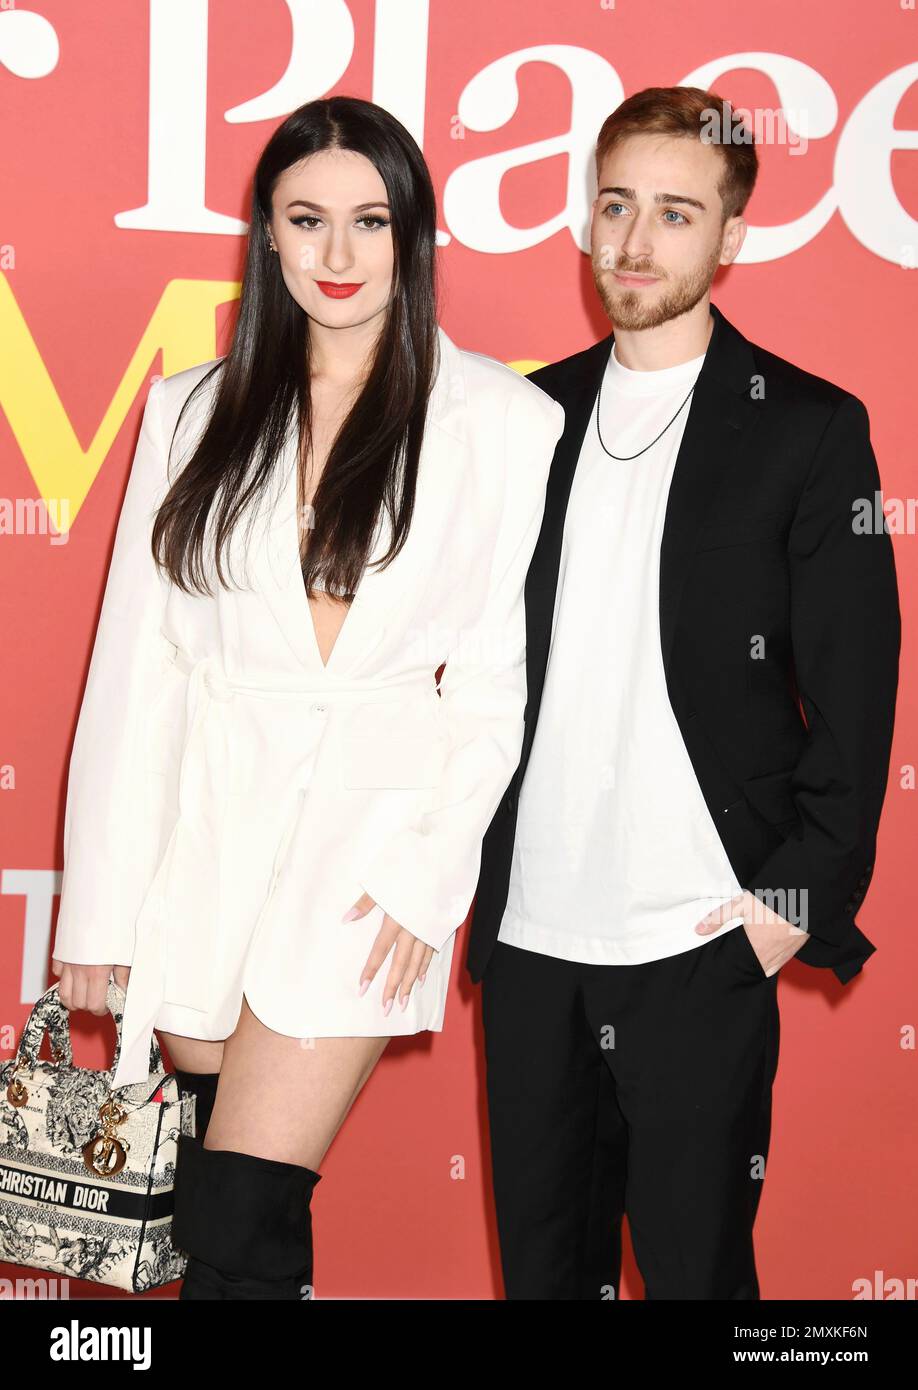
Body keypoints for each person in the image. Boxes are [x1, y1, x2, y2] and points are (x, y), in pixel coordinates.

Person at [51, 94, 564, 1300]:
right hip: (205, 848)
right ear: (267, 236)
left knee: (239, 1212)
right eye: (307, 220)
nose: (339, 256)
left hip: (367, 861)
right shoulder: (190, 408)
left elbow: (493, 683)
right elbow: (141, 666)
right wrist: (101, 913)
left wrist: (429, 875)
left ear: (414, 236)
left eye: (371, 222)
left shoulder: (501, 420)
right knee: (217, 1219)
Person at [470, 85, 901, 1299]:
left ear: (732, 236)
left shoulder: (807, 430)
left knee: (701, 1282)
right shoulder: (523, 418)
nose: (636, 242)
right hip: (533, 943)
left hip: (700, 943)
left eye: (674, 212)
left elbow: (857, 690)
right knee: (546, 1281)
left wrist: (785, 906)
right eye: (615, 206)